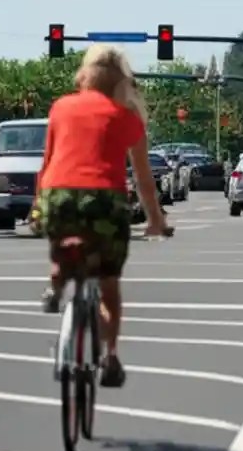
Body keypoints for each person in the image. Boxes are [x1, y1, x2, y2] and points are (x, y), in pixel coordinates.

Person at [33, 44, 173, 389]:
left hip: (58, 197)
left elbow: (47, 163)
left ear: (84, 75)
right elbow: (144, 180)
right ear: (120, 82)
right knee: (108, 287)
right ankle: (110, 356)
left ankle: (56, 277)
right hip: (104, 203)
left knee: (63, 240)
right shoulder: (127, 118)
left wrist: (38, 206)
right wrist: (156, 222)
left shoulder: (60, 108)